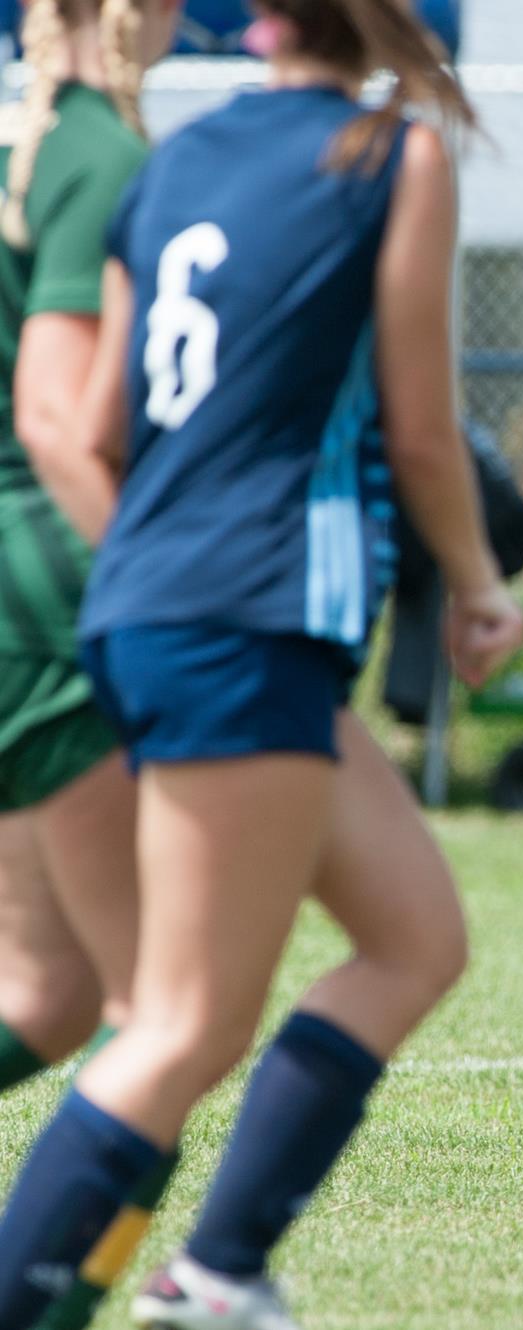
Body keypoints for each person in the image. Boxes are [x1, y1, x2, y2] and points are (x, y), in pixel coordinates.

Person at [0, 3, 523, 1326]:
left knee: (416, 938)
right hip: (247, 614)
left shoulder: (172, 153)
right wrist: (474, 584)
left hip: (168, 608)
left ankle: (220, 1273)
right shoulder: (388, 156)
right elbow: (420, 429)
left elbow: (104, 416)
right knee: (175, 1022)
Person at [0, 3, 182, 1324]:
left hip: (22, 588)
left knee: (49, 996)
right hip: (54, 596)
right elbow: (60, 421)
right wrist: (158, 583)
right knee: (160, 1020)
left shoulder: (42, 134)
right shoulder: (99, 154)